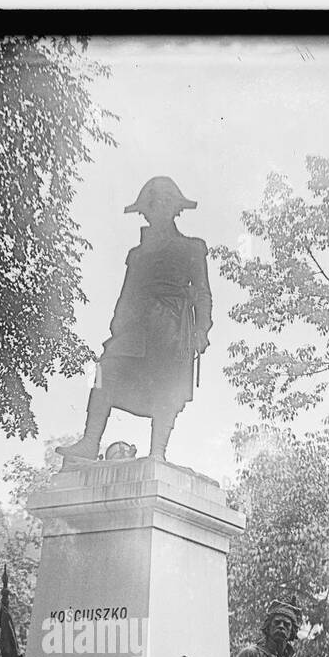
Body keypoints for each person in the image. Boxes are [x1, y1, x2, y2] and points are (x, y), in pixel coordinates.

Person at [57, 176, 212, 464]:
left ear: (176, 209)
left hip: (172, 325)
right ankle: (90, 442)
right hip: (136, 328)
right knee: (104, 370)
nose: (158, 210)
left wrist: (202, 328)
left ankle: (157, 453)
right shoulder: (137, 254)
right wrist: (117, 327)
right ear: (145, 211)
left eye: (165, 203)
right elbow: (126, 293)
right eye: (152, 205)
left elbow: (202, 292)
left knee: (167, 388)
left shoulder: (192, 247)